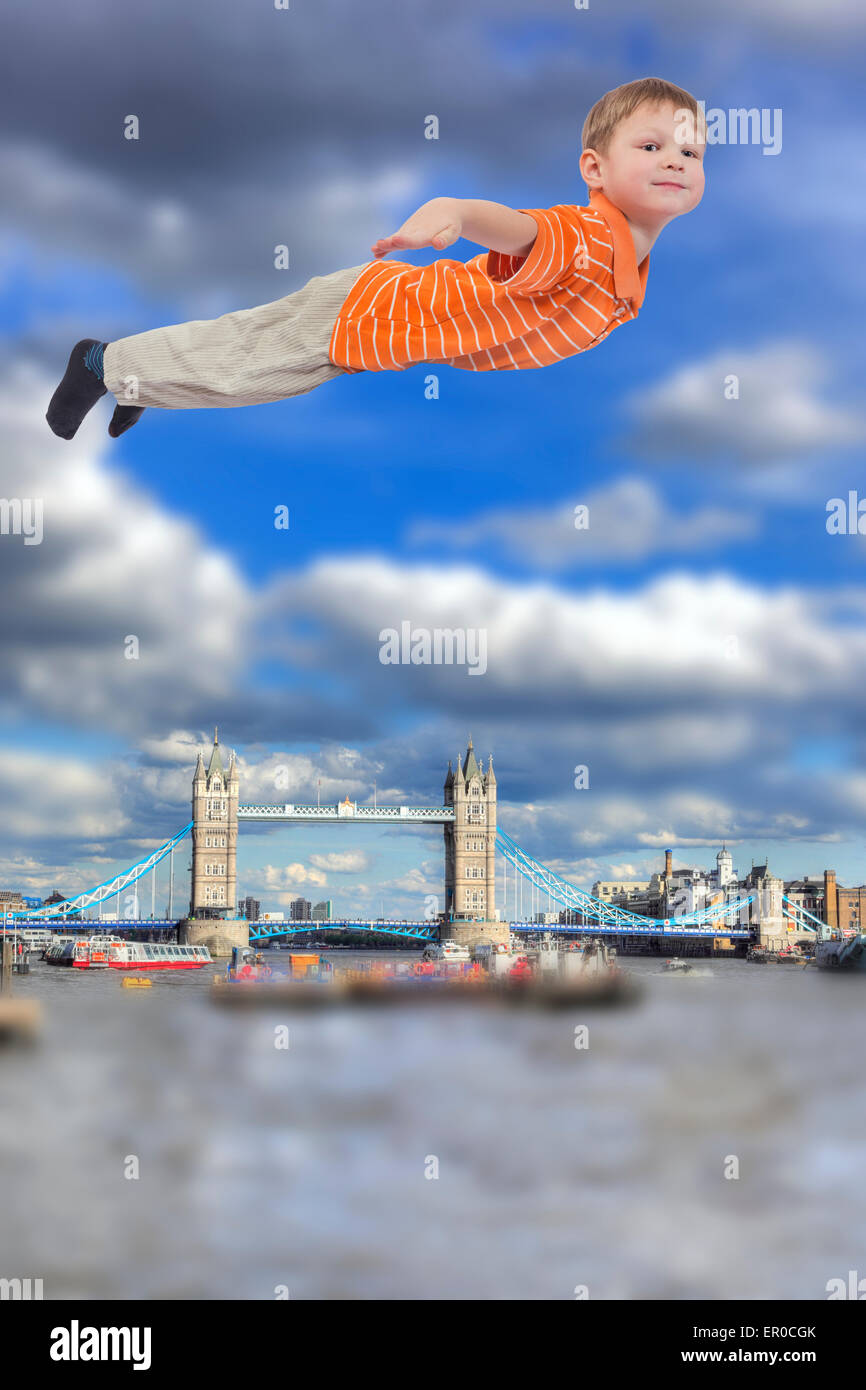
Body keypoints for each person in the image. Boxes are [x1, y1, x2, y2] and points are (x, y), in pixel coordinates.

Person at [46, 78, 705, 442]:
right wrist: (461, 212)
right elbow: (524, 232)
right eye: (651, 146)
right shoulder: (588, 240)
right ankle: (98, 364)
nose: (675, 159)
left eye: (690, 151)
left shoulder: (628, 278)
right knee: (239, 366)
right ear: (594, 167)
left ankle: (135, 377)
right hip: (363, 316)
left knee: (242, 374)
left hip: (378, 335)